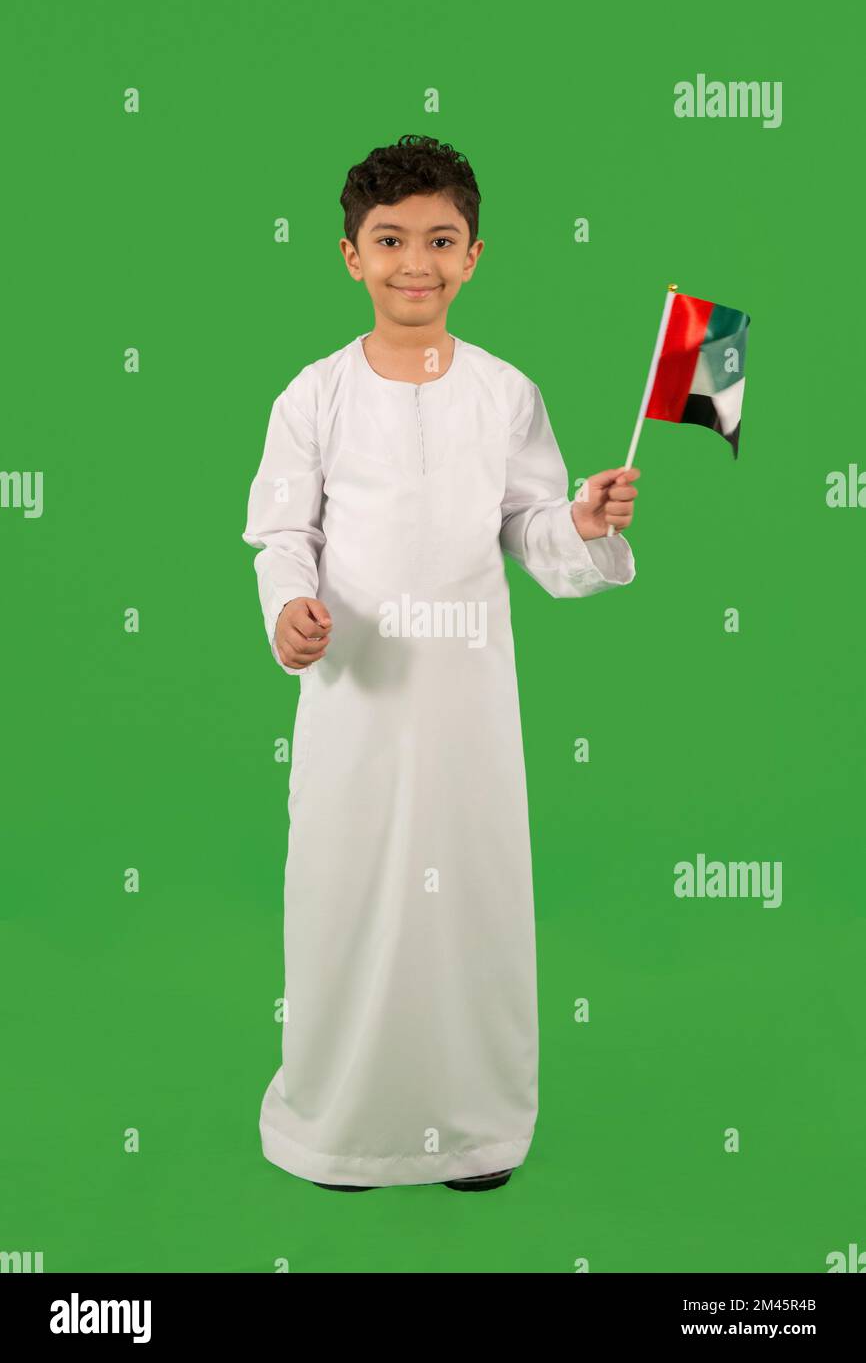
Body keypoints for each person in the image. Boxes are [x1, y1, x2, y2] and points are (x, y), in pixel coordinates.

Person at [242, 134, 639, 1193]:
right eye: (389, 241)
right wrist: (291, 611)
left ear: (472, 256)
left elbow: (533, 533)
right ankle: (342, 1129)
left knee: (471, 900)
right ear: (349, 256)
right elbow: (282, 537)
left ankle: (474, 1130)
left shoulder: (503, 393)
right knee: (343, 895)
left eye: (438, 240)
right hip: (353, 701)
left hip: (466, 704)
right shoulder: (312, 396)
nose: (413, 261)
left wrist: (585, 520)